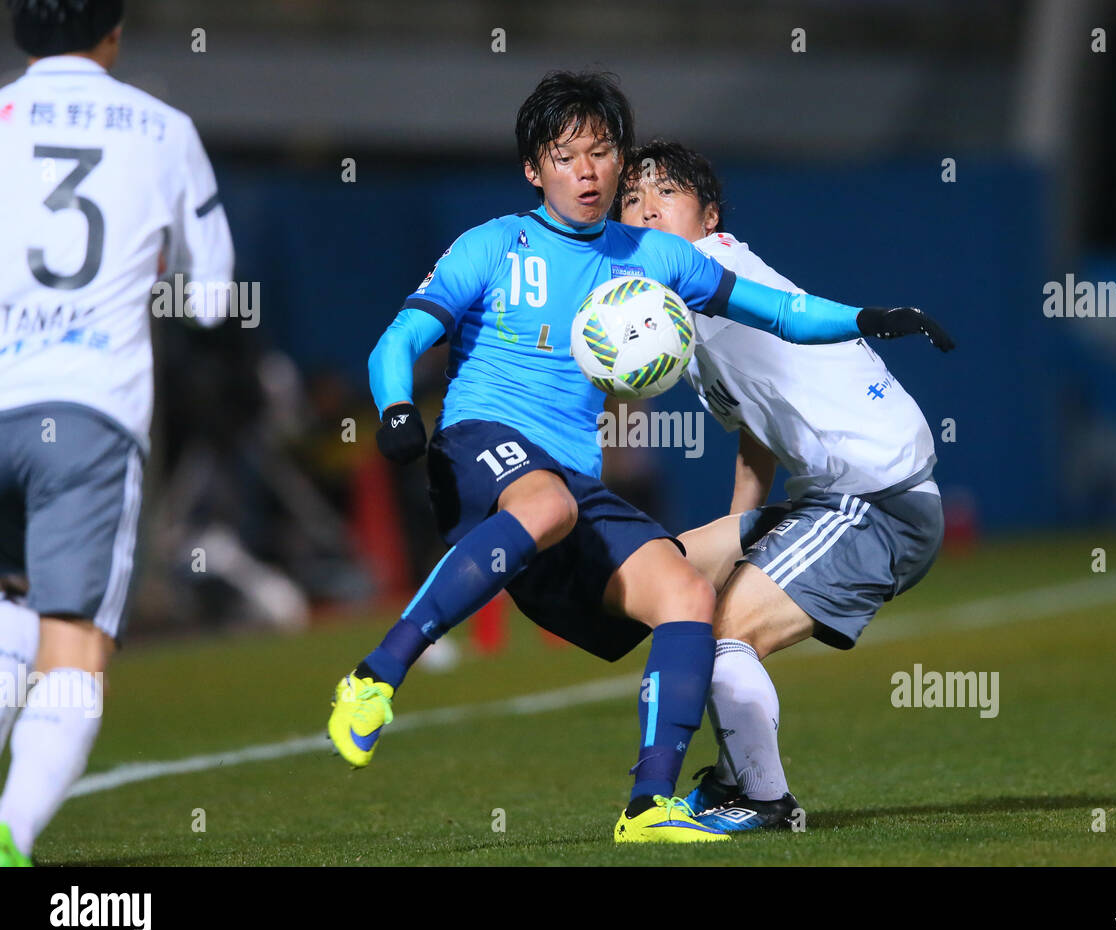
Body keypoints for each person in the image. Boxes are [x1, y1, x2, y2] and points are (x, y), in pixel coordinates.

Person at [327, 71, 952, 845]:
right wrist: (393, 408)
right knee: (547, 505)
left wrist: (867, 316)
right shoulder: (493, 244)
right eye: (564, 156)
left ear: (619, 159)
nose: (586, 172)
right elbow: (401, 337)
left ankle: (648, 806)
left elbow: (784, 313)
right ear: (534, 169)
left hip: (569, 483)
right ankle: (374, 677)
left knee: (687, 595)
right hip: (482, 444)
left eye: (600, 154)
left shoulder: (657, 259)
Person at [618, 141, 948, 831]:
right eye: (632, 198)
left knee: (721, 631)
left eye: (666, 193)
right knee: (670, 576)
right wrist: (739, 536)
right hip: (839, 499)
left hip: (875, 504)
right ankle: (736, 776)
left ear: (710, 218)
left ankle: (765, 801)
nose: (646, 207)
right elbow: (755, 435)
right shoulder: (693, 308)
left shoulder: (709, 268)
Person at [0, 0, 234, 866]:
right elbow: (211, 299)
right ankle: (12, 838)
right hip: (88, 413)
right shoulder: (163, 129)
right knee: (73, 641)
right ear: (114, 31)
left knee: (9, 612)